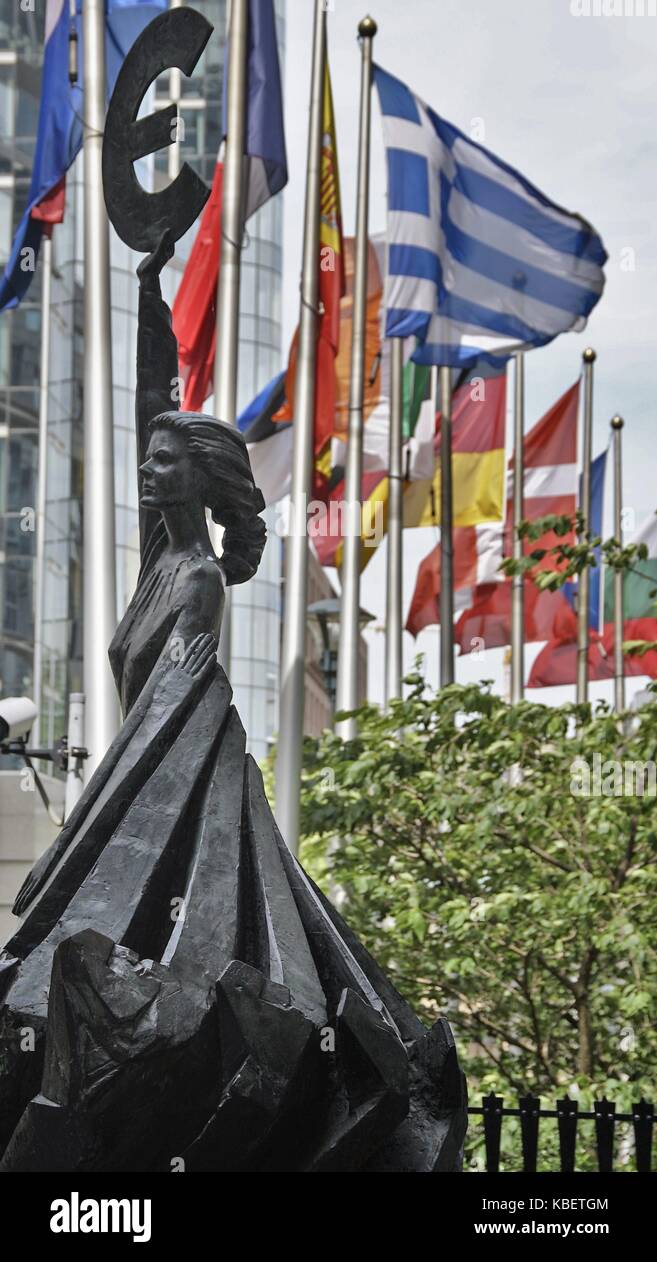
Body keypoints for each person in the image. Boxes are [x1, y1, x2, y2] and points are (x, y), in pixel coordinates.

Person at [0, 234, 465, 1173]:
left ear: (204, 482)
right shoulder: (156, 558)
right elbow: (146, 406)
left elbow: (173, 728)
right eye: (151, 458)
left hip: (176, 807)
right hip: (141, 799)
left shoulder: (199, 580)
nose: (149, 469)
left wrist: (83, 844)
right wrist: (146, 290)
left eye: (168, 462)